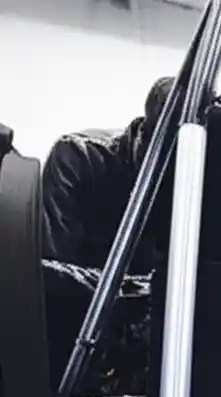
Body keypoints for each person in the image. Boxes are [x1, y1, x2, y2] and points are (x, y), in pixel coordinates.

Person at [42, 76, 174, 272]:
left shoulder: (208, 184)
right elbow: (50, 272)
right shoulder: (78, 157)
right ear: (144, 138)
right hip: (84, 301)